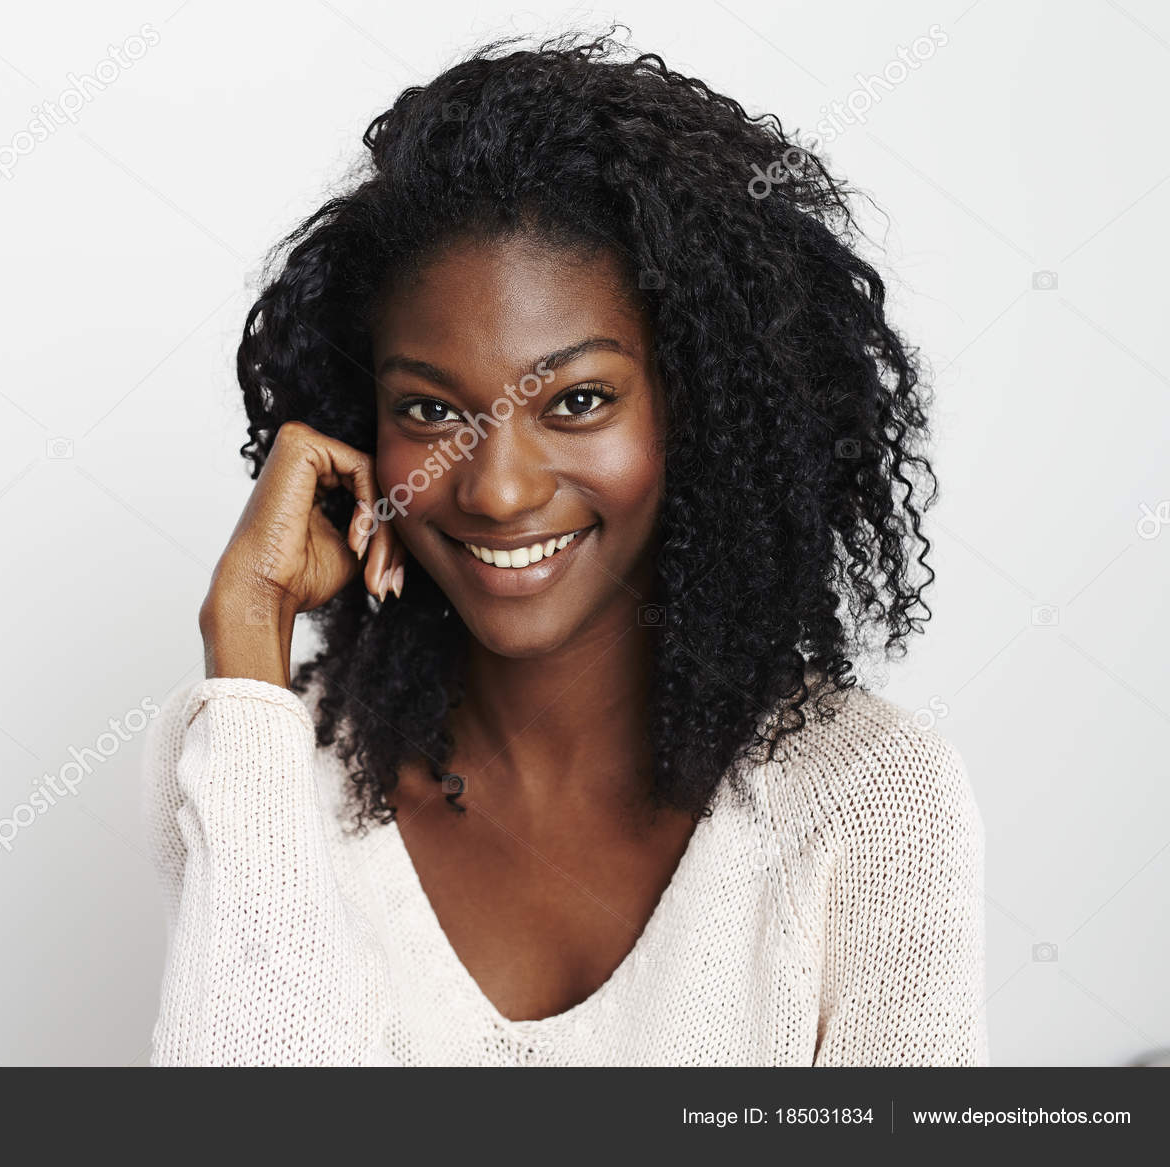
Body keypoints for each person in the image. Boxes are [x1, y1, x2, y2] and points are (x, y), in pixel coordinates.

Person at [142, 32, 987, 1066]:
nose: (497, 489)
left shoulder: (860, 801)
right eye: (429, 407)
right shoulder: (262, 763)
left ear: (699, 413)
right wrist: (247, 639)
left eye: (576, 401)